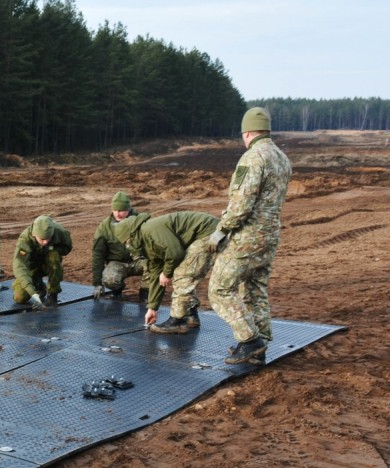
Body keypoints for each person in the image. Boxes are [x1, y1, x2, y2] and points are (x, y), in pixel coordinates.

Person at [207, 106, 293, 364]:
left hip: (247, 237)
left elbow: (241, 203)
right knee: (255, 289)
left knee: (220, 289)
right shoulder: (281, 157)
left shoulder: (253, 158)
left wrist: (222, 230)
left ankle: (249, 340)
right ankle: (261, 342)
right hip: (269, 236)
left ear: (246, 132)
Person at [113, 211, 219, 333]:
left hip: (209, 233)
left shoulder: (150, 229)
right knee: (185, 274)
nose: (128, 246)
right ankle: (190, 314)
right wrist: (152, 308)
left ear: (131, 235)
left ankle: (177, 321)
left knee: (183, 276)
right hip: (203, 234)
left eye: (126, 242)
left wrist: (167, 273)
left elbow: (175, 253)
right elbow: (155, 275)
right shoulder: (146, 243)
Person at [91, 191, 148, 299]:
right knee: (109, 280)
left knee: (153, 267)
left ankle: (146, 294)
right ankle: (117, 290)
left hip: (139, 260)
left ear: (128, 209)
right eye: (115, 210)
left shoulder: (141, 221)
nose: (117, 213)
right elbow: (98, 254)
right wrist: (97, 283)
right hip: (118, 262)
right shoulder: (104, 227)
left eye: (121, 210)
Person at [11, 215, 73, 309]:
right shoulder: (24, 240)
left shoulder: (60, 232)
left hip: (49, 264)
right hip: (33, 267)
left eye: (48, 239)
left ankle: (53, 296)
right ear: (34, 234)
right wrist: (32, 293)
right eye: (42, 239)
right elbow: (19, 267)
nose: (45, 242)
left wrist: (51, 249)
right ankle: (39, 287)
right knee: (19, 298)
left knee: (54, 256)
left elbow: (67, 248)